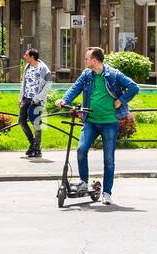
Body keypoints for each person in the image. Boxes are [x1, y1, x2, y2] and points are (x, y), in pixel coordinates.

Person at [56, 46, 140, 206]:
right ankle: (84, 182)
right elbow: (75, 88)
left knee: (108, 160)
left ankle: (107, 193)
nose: (85, 61)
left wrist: (120, 100)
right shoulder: (87, 74)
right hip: (91, 121)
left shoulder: (114, 75)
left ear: (94, 60)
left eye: (87, 59)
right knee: (81, 149)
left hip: (109, 123)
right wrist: (64, 100)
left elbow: (134, 87)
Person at [18, 47, 52, 158]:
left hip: (37, 101)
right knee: (21, 121)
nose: (24, 56)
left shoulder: (44, 69)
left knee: (36, 124)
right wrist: (21, 98)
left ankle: (37, 149)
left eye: (26, 55)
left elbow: (48, 85)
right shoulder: (27, 67)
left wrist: (38, 98)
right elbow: (24, 83)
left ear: (32, 57)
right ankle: (32, 143)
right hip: (26, 99)